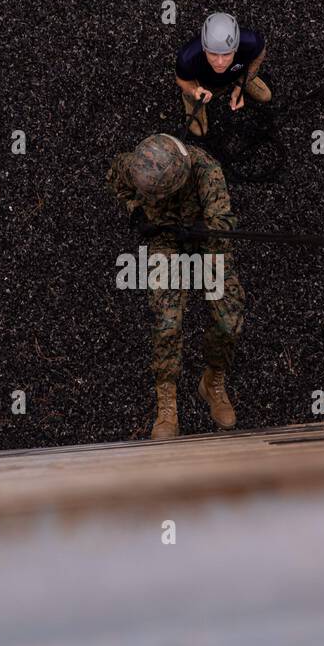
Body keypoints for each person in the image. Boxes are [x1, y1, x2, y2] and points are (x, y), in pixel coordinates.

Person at [107, 134, 246, 439]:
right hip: (166, 239)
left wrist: (203, 230)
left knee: (229, 321)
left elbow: (223, 223)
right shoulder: (138, 164)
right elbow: (116, 178)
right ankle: (166, 403)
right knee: (167, 323)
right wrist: (136, 210)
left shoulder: (207, 171)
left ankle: (212, 382)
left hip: (205, 237)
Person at [174, 12, 271, 137]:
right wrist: (194, 90)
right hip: (205, 83)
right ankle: (193, 102)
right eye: (213, 54)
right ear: (204, 47)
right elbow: (182, 79)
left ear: (236, 47)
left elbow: (259, 55)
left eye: (226, 54)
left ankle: (245, 80)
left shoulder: (251, 42)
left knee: (266, 96)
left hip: (237, 72)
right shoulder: (188, 57)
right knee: (197, 121)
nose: (220, 62)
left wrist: (241, 84)